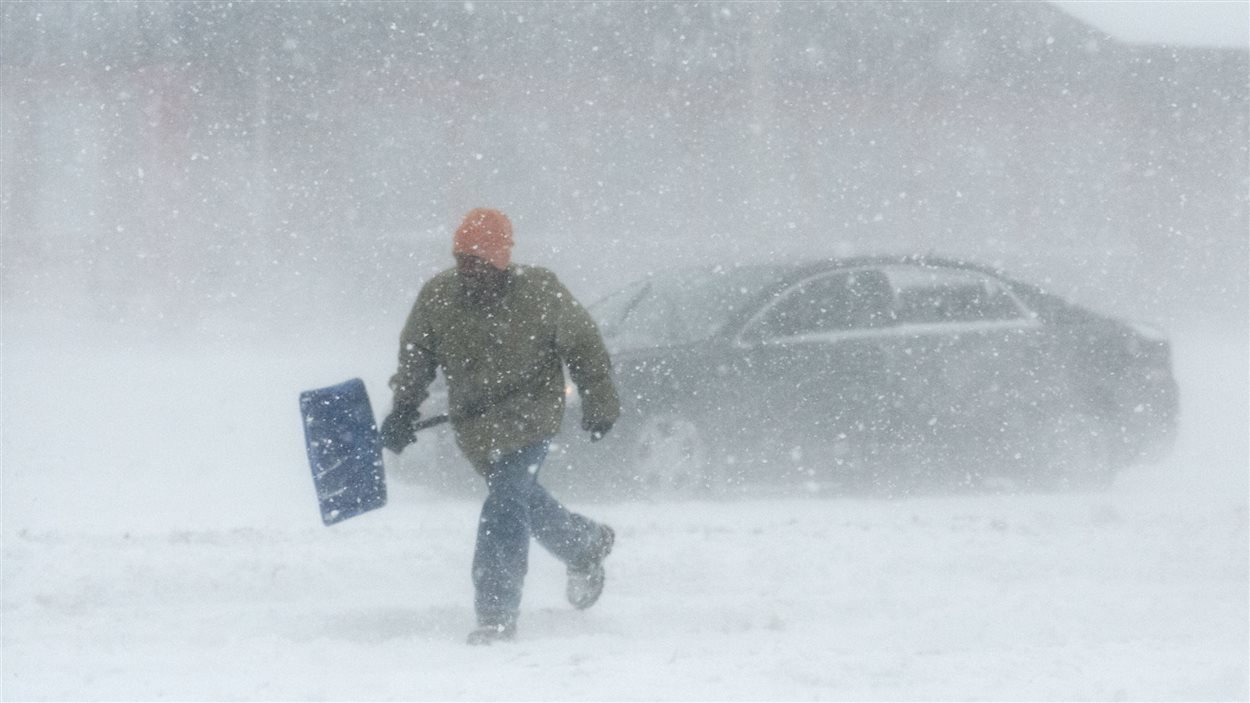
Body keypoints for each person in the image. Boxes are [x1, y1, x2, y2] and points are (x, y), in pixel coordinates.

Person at [381, 207, 620, 645]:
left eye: (477, 262)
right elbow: (416, 357)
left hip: (532, 416)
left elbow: (584, 344)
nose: (468, 272)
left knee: (505, 502)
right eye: (462, 262)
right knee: (519, 498)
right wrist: (402, 410)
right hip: (476, 427)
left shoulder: (540, 292)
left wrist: (599, 401)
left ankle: (495, 614)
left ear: (499, 260)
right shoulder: (439, 297)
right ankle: (584, 544)